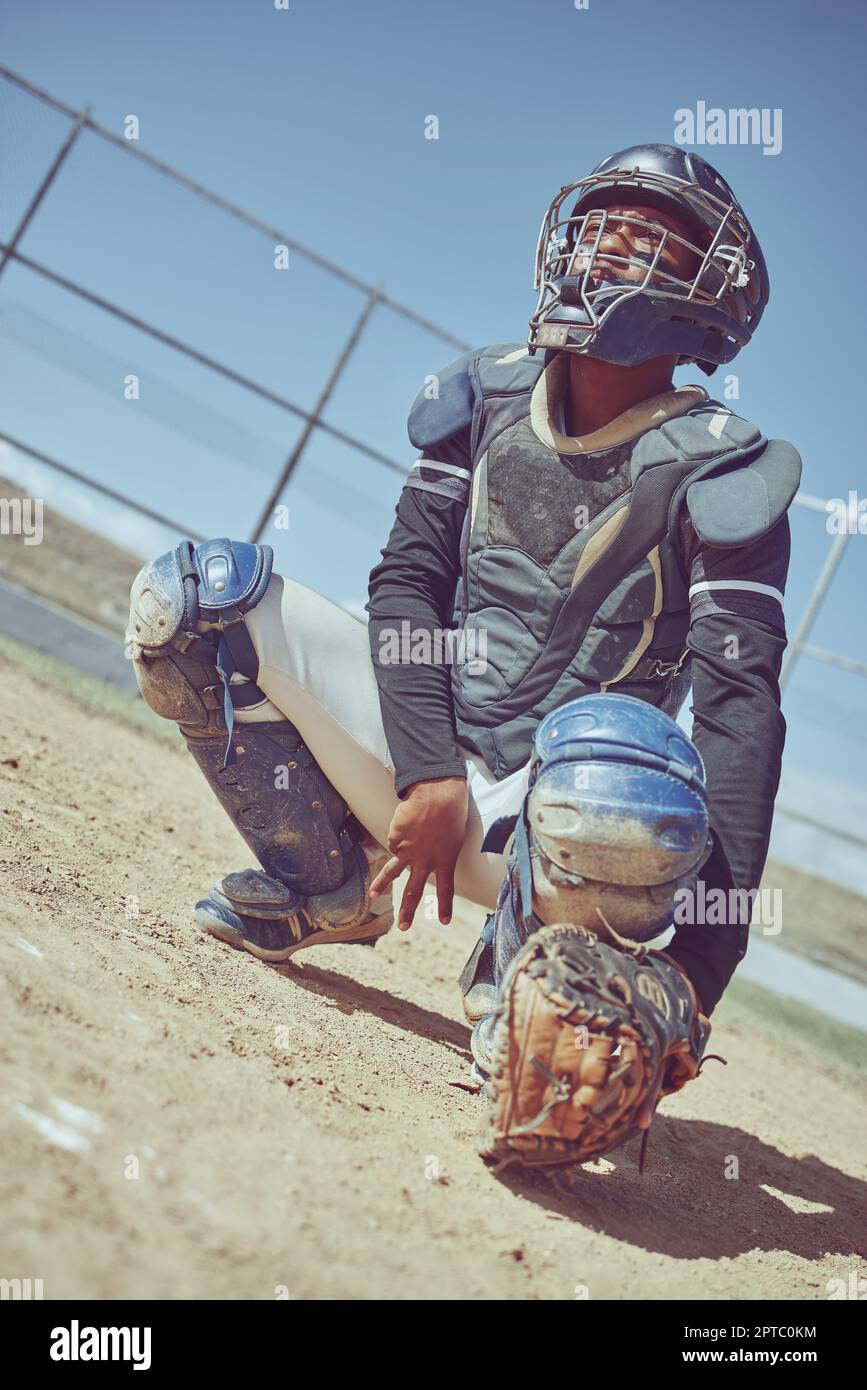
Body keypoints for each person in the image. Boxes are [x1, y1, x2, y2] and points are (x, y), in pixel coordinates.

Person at [127, 144, 800, 1167]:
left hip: (573, 833)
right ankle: (327, 884)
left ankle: (528, 990)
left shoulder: (725, 469)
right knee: (193, 602)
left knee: (622, 746)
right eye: (599, 221)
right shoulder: (482, 396)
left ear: (711, 295)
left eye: (647, 232)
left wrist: (700, 976)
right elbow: (404, 586)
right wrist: (432, 769)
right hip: (419, 780)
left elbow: (744, 716)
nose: (607, 243)